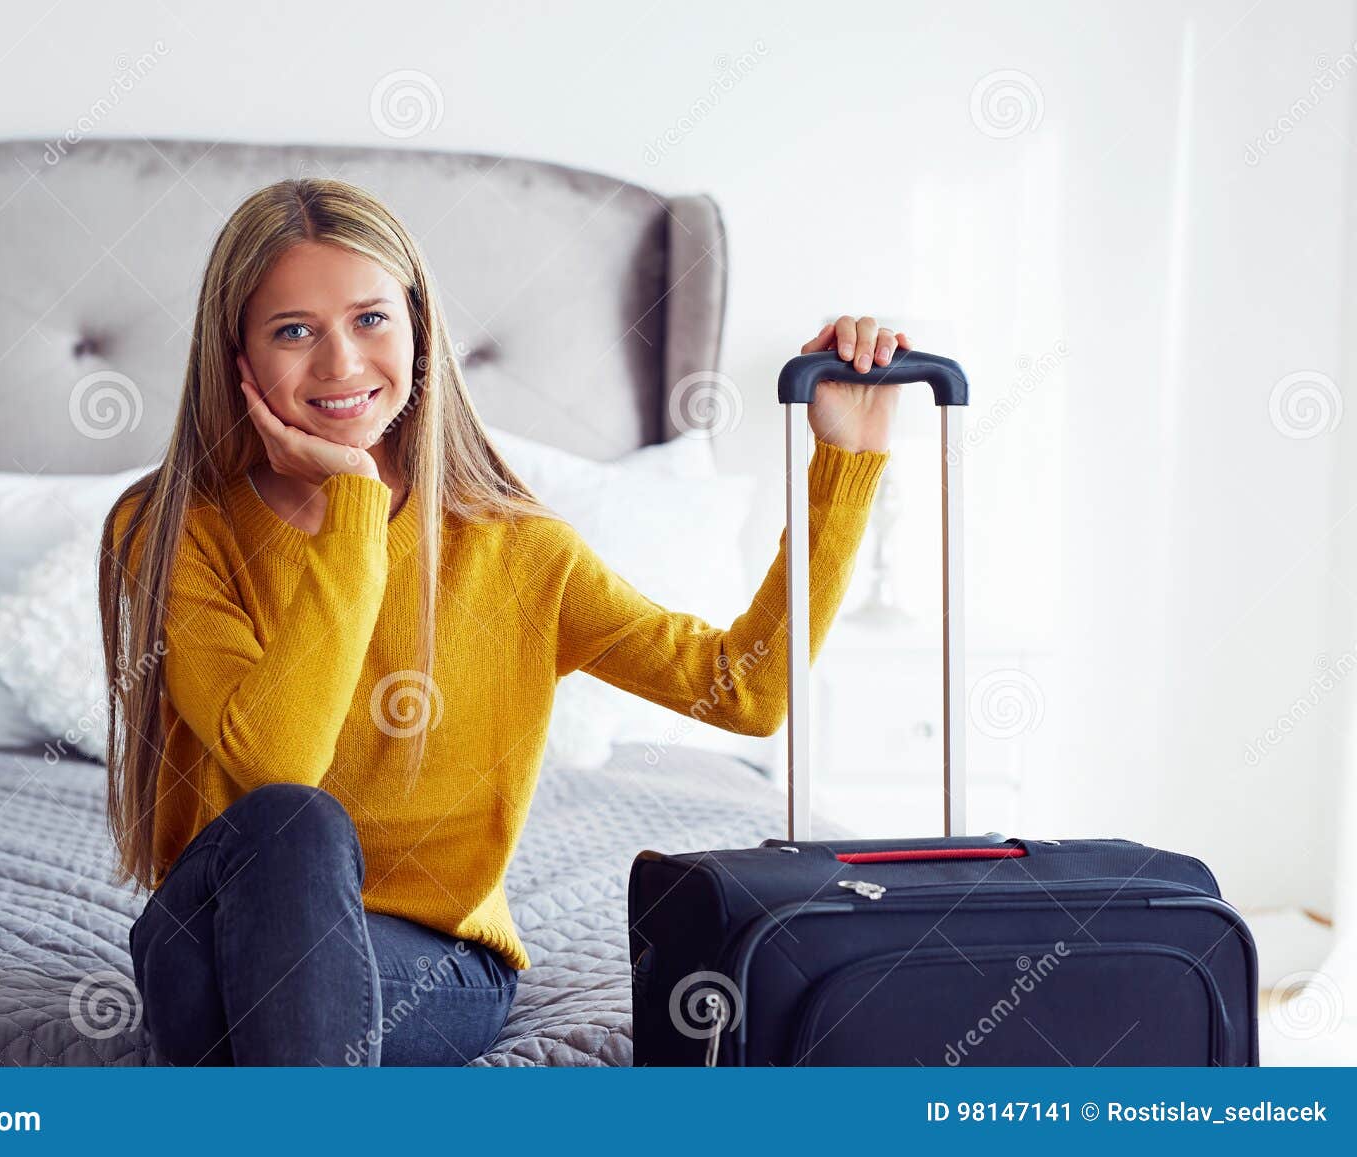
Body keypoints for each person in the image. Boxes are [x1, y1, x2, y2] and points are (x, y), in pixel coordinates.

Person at [99, 176, 905, 1065]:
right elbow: (280, 763)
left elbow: (744, 692)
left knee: (280, 1019)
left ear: (418, 326)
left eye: (370, 319)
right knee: (296, 822)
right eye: (294, 330)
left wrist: (845, 461)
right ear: (236, 353)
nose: (339, 364)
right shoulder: (176, 527)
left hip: (430, 955)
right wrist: (356, 508)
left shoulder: (517, 552)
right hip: (205, 937)